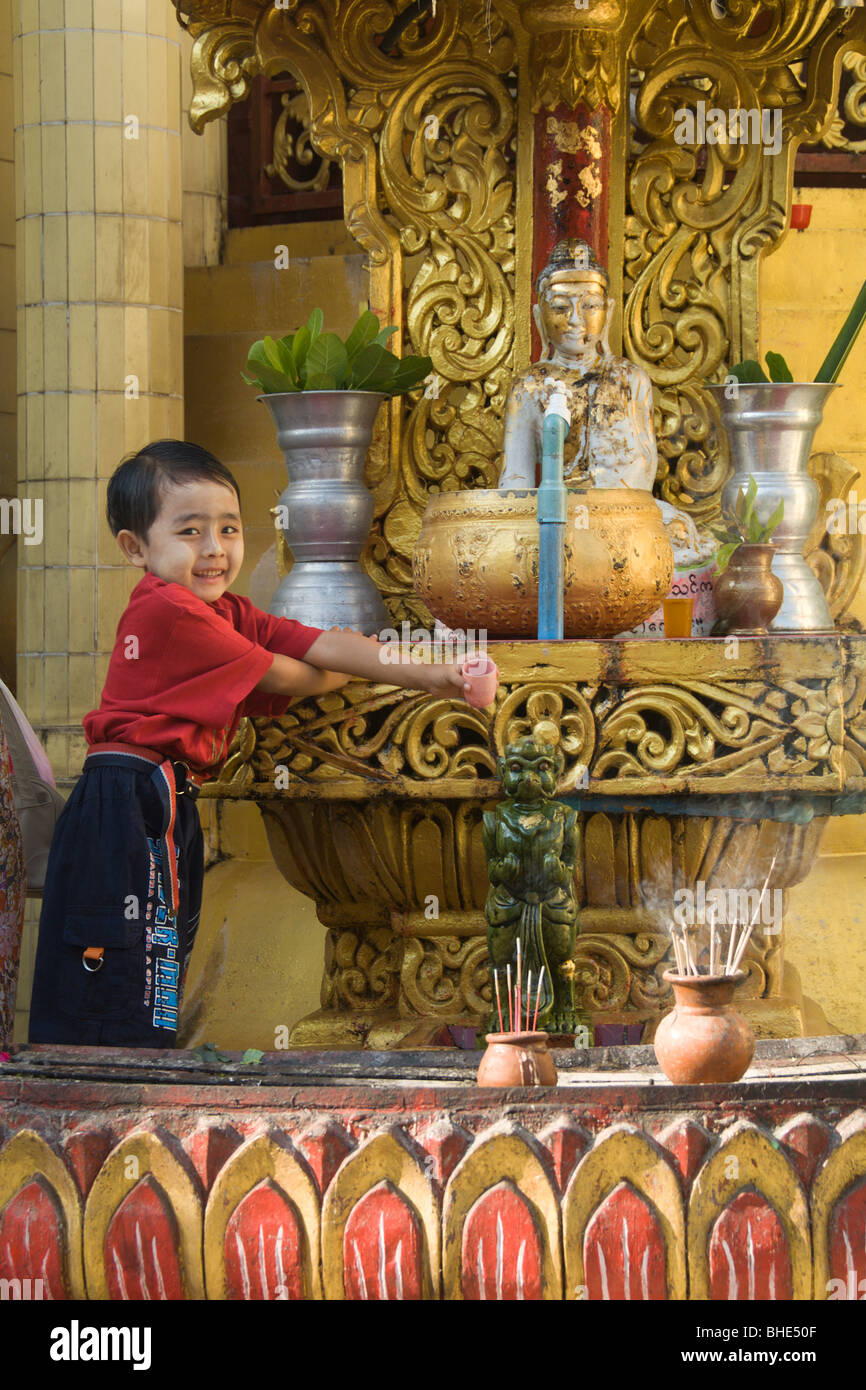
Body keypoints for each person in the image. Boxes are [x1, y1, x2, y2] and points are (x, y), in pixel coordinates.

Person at [28, 440, 470, 1048]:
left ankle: (137, 1087)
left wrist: (438, 672)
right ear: (136, 547)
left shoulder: (224, 611)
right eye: (190, 531)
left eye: (228, 528)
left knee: (158, 948)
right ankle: (104, 1098)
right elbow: (295, 671)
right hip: (124, 803)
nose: (214, 549)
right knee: (118, 955)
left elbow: (320, 641)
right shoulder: (170, 612)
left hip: (159, 798)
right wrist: (340, 669)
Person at [498, 238, 713, 566]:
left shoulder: (631, 379)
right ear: (540, 315)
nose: (575, 319)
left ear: (609, 310)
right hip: (561, 518)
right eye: (560, 306)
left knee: (680, 532)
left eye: (590, 305)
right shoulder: (530, 386)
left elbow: (642, 470)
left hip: (626, 518)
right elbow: (516, 480)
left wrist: (625, 514)